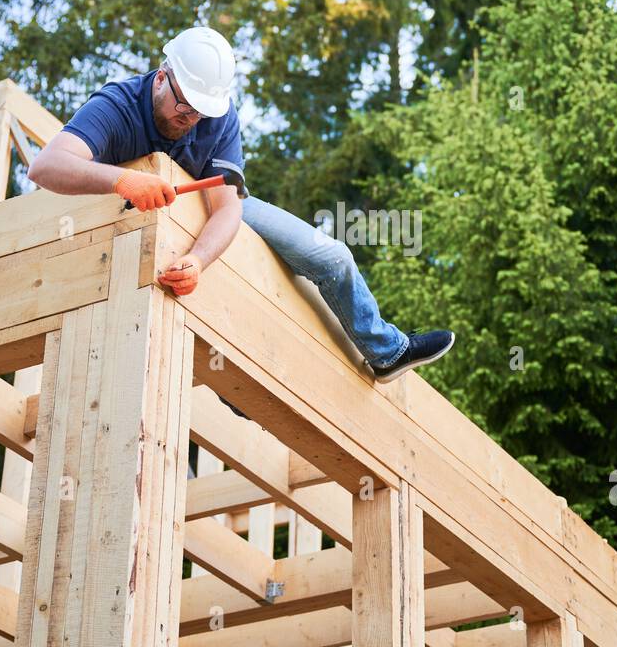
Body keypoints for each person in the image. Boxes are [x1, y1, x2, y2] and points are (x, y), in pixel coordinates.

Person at [27, 25, 454, 383]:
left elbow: (229, 207)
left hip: (205, 215)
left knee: (333, 255)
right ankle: (236, 398)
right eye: (184, 106)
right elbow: (46, 167)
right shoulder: (117, 106)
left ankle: (387, 352)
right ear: (161, 77)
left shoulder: (218, 118)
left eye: (200, 112)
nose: (191, 119)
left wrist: (198, 259)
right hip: (120, 229)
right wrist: (120, 179)